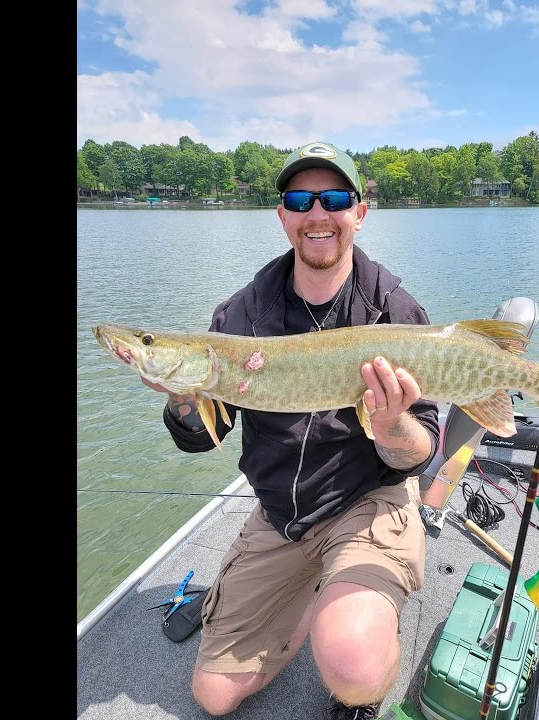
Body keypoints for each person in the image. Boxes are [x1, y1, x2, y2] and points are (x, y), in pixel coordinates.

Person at [141, 141, 439, 718]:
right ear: (283, 215)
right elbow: (204, 435)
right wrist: (183, 401)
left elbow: (420, 453)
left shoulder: (395, 311)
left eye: (334, 200)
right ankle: (312, 595)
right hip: (282, 510)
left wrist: (390, 426)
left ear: (359, 212)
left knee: (352, 667)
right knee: (214, 696)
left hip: (366, 499)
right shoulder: (240, 315)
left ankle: (355, 624)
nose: (317, 213)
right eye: (301, 200)